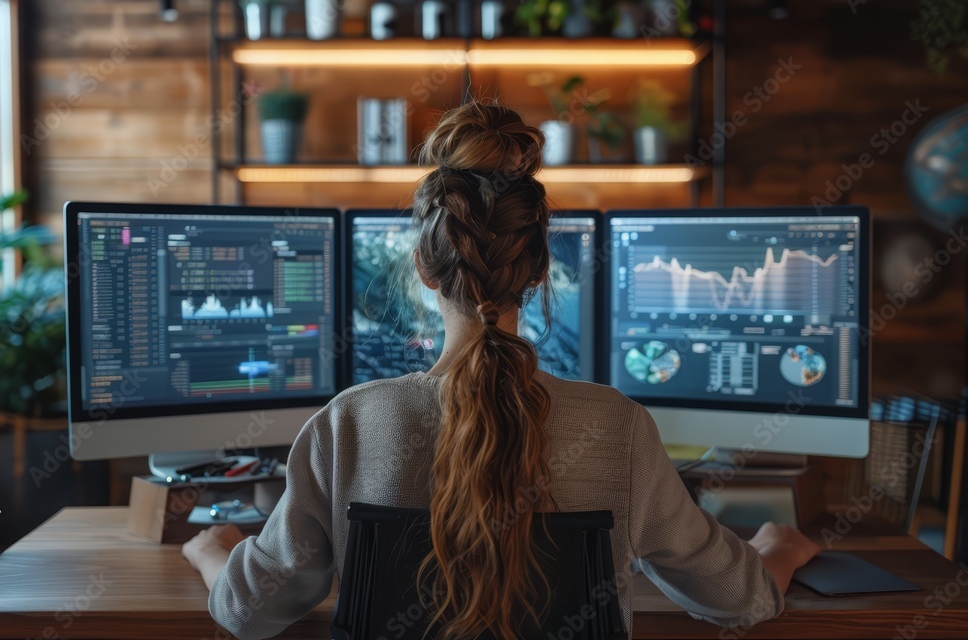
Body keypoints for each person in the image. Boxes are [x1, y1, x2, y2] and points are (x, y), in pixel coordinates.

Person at [183, 101, 820, 640]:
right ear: (538, 270)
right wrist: (779, 551)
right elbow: (740, 600)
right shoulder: (617, 429)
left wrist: (213, 551)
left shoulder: (350, 425)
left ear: (426, 270)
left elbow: (249, 611)